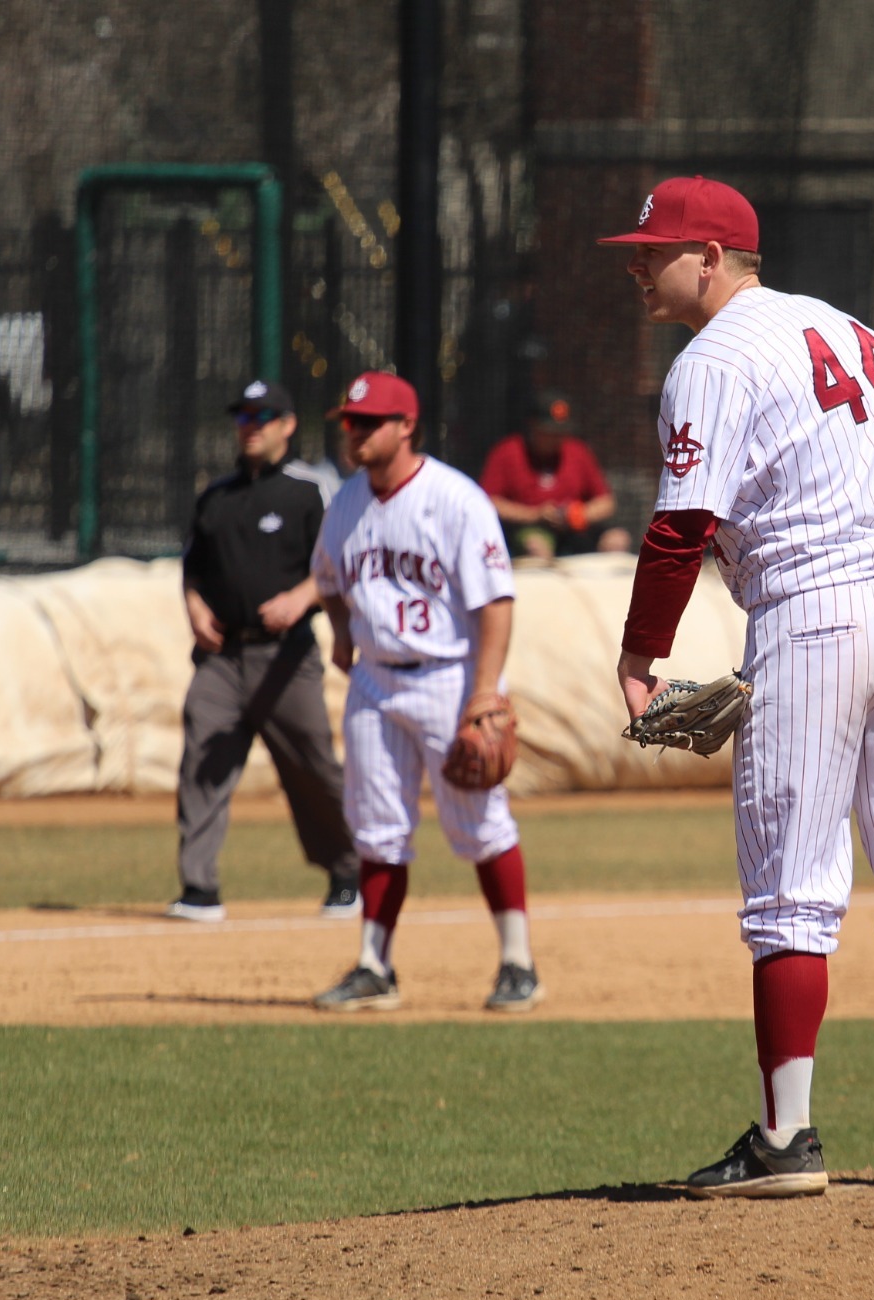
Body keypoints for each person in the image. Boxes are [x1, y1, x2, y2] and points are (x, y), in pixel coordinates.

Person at [602, 177, 874, 1196]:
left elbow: (679, 525)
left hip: (812, 612)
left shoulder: (711, 361)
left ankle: (785, 1139)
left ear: (711, 257)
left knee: (789, 892)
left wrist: (638, 653)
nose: (636, 266)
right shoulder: (854, 330)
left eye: (653, 250)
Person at [308, 370, 544, 1014]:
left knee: (479, 825)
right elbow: (327, 577)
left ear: (405, 426)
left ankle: (519, 963)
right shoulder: (346, 503)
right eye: (349, 422)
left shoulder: (455, 499)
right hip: (375, 681)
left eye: (367, 422)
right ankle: (373, 967)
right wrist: (340, 633)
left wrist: (485, 692)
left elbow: (495, 601)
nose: (353, 432)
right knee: (378, 831)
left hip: (450, 676)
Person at [169, 378, 359, 924]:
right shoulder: (217, 494)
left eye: (262, 417)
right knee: (201, 761)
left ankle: (347, 874)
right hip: (222, 656)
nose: (250, 428)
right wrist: (194, 606)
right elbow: (193, 567)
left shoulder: (309, 490)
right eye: (243, 418)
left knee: (312, 765)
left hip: (285, 657)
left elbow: (338, 563)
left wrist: (302, 597)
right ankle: (199, 887)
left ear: (288, 425)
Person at [480, 390, 631, 558]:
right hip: (528, 528)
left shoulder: (577, 451)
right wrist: (535, 514)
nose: (555, 438)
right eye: (548, 432)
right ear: (533, 426)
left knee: (617, 540)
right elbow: (489, 502)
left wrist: (578, 514)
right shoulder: (507, 452)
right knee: (536, 546)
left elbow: (606, 502)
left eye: (560, 431)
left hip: (575, 530)